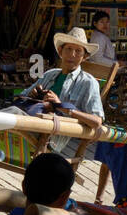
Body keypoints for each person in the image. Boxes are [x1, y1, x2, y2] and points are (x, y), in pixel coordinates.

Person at [18, 27, 105, 157]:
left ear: (84, 57)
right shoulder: (50, 74)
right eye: (68, 49)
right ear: (60, 51)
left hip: (48, 135)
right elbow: (22, 96)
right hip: (27, 122)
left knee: (8, 115)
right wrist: (32, 95)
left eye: (78, 51)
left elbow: (97, 121)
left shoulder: (88, 83)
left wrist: (62, 107)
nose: (72, 54)